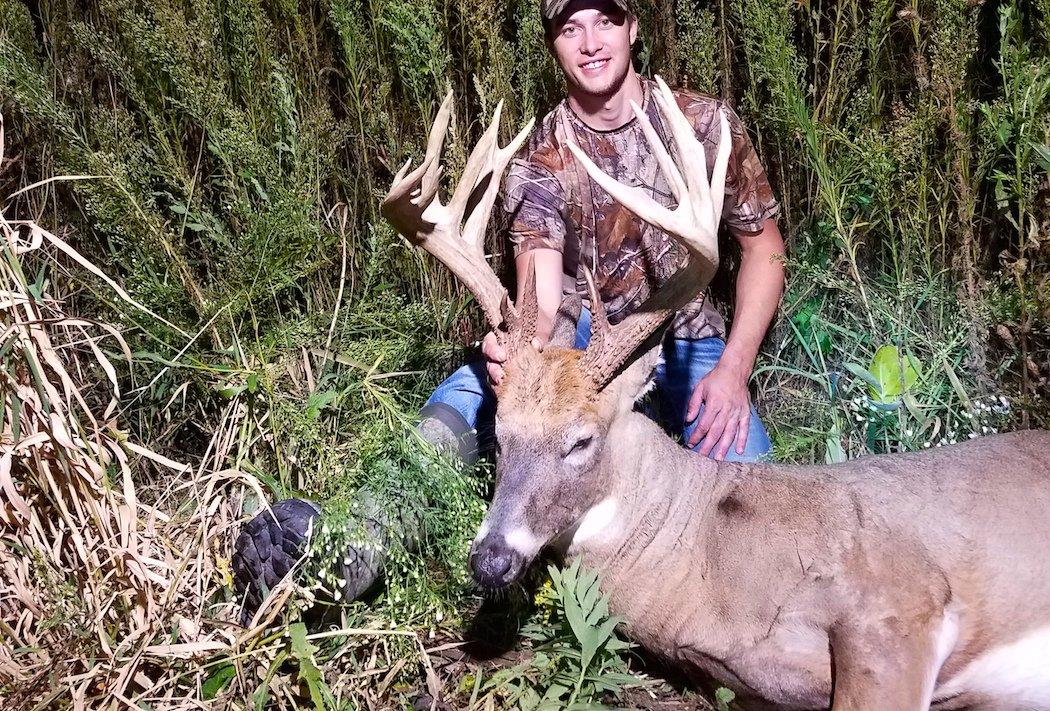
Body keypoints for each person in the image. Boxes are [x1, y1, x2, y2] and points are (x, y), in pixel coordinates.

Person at [419, 0, 785, 464]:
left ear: (632, 28)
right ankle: (381, 509)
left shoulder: (704, 125)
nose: (590, 44)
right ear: (553, 44)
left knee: (744, 473)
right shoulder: (539, 162)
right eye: (570, 29)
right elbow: (543, 302)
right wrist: (521, 349)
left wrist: (734, 368)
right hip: (586, 347)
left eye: (605, 22)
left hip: (687, 337)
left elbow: (765, 250)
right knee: (478, 387)